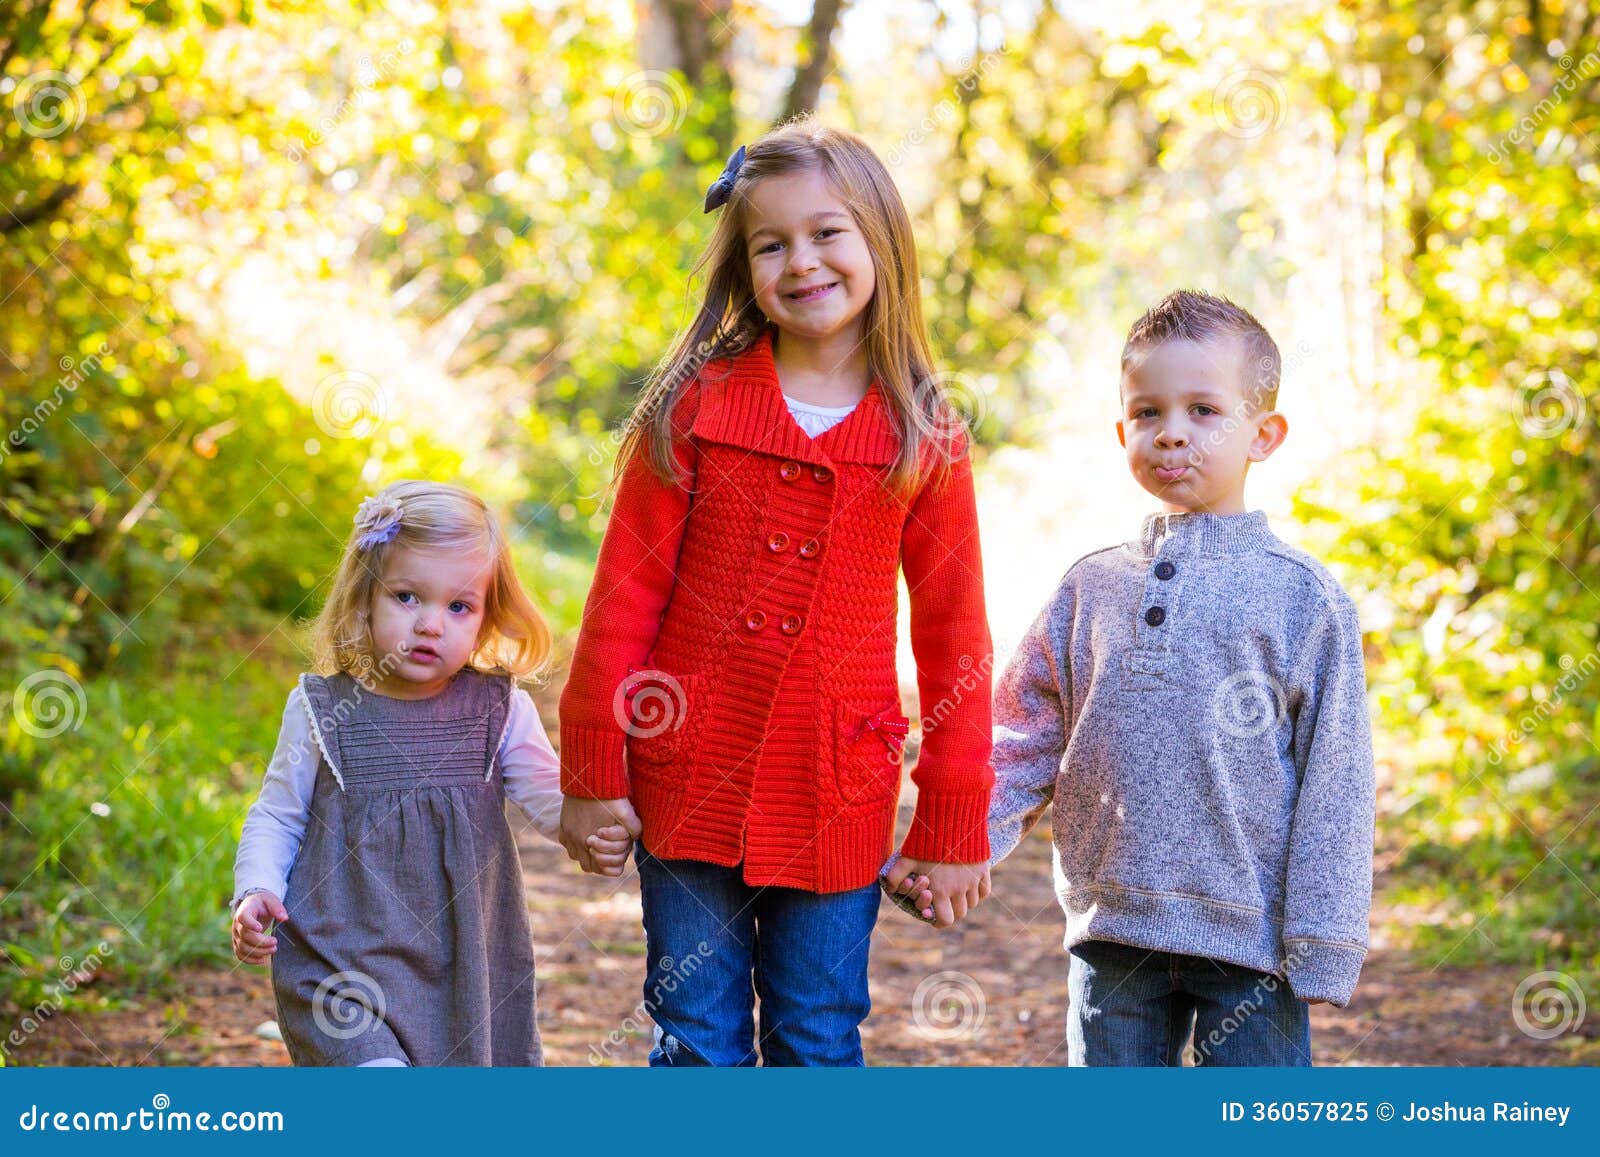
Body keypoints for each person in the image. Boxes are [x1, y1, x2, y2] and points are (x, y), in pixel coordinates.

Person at [557, 118, 995, 1066]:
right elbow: (622, 599)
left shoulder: (924, 431)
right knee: (696, 1036)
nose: (801, 262)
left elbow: (955, 635)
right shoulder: (696, 405)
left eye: (827, 233)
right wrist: (592, 774)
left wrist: (953, 818)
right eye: (770, 243)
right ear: (742, 263)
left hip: (837, 792)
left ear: (881, 239)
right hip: (684, 779)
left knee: (816, 1034)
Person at [952, 290, 1375, 1065]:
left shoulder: (1303, 598)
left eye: (1203, 410)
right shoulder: (1091, 586)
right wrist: (964, 838)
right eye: (1148, 412)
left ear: (1264, 434)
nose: (1171, 432)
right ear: (1123, 432)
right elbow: (1024, 731)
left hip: (1252, 945)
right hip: (1113, 933)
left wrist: (1325, 937)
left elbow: (1336, 782)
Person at [230, 480, 632, 1065]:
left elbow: (552, 800)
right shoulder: (323, 709)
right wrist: (256, 887)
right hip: (337, 961)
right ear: (364, 598)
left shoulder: (499, 709)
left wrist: (595, 829)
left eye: (458, 607)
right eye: (407, 597)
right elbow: (277, 814)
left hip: (463, 965)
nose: (430, 624)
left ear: (487, 618)